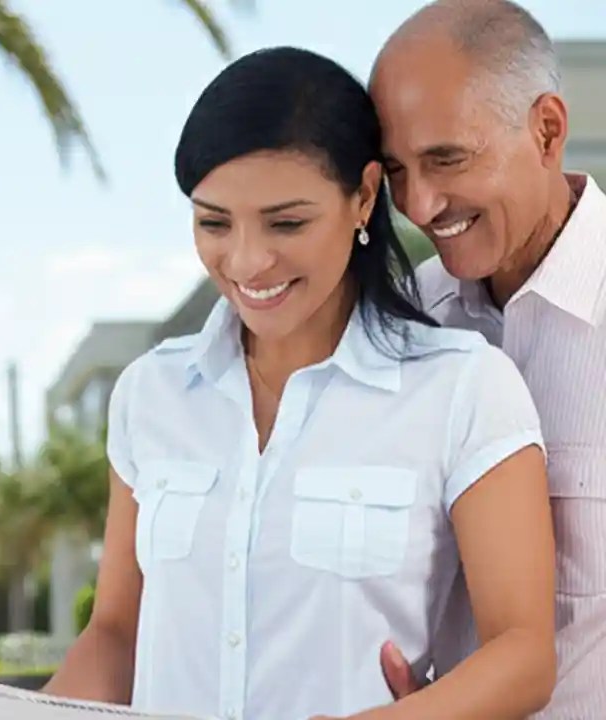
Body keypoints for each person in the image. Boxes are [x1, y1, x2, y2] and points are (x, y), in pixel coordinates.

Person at [39, 45, 557, 720]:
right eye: (213, 223)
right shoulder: (149, 394)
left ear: (364, 196)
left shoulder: (462, 388)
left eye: (287, 222)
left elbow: (523, 654)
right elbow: (115, 634)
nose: (248, 260)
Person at [369, 1, 606, 716]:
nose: (420, 202)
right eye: (396, 172)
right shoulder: (402, 328)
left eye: (447, 159)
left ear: (546, 130)